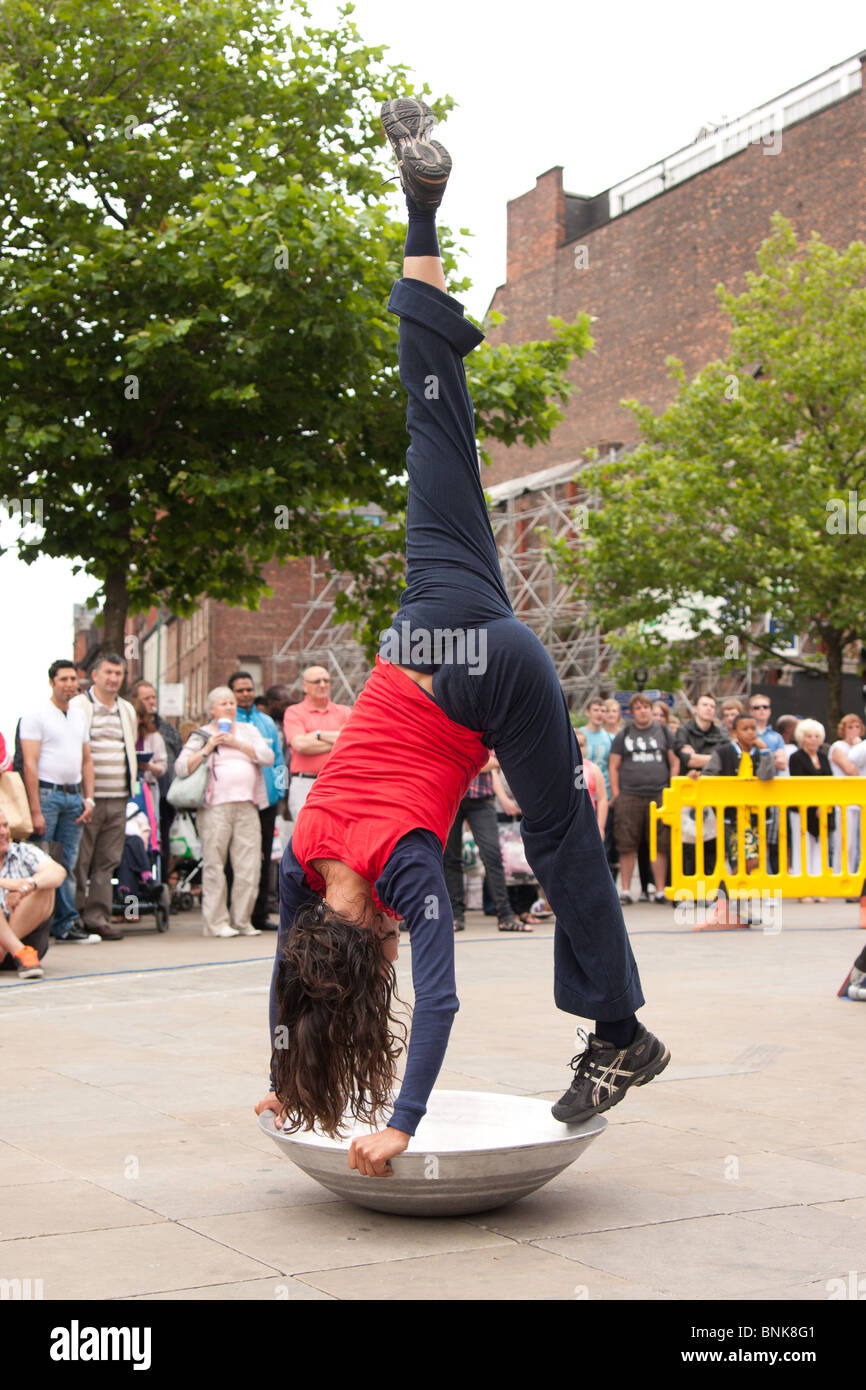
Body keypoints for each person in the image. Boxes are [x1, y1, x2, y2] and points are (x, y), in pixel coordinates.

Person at [255, 100, 669, 1176]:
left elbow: (434, 998)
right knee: (430, 420)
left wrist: (397, 1116)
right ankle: (419, 209)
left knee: (566, 839)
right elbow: (288, 977)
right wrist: (280, 1050)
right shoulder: (305, 856)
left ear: (376, 938)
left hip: (495, 671)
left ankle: (620, 1033)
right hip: (434, 628)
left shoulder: (404, 875)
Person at [174, 686, 274, 937]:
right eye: (223, 703)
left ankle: (242, 920)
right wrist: (209, 747)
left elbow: (268, 756)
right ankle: (216, 923)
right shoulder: (202, 734)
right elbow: (181, 768)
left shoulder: (248, 731)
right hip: (214, 807)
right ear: (212, 710)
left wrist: (238, 744)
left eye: (232, 703)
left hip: (247, 806)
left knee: (249, 865)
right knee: (214, 865)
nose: (230, 707)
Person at [18, 659, 98, 943]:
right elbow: (30, 764)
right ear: (52, 682)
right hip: (47, 795)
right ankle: (35, 925)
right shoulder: (36, 716)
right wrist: (35, 810)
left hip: (73, 796)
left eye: (73, 679)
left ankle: (65, 924)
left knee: (68, 862)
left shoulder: (79, 716)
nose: (69, 684)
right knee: (40, 860)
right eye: (63, 679)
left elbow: (87, 761)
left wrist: (89, 799)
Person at [70, 653, 139, 941]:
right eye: (108, 672)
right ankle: (71, 917)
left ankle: (96, 917)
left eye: (118, 673)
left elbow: (130, 746)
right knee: (79, 860)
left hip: (119, 796)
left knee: (107, 860)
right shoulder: (78, 706)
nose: (113, 678)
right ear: (95, 674)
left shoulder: (126, 709)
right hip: (89, 797)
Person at [700, 713, 775, 927]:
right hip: (731, 818)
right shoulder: (723, 753)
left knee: (753, 860)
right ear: (735, 732)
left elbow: (767, 776)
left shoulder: (761, 753)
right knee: (739, 861)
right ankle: (732, 905)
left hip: (755, 817)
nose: (751, 732)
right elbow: (710, 776)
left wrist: (766, 752)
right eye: (746, 729)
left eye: (754, 728)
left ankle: (727, 901)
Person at [228, 670, 286, 931]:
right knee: (237, 858)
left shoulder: (266, 723)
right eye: (240, 690)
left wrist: (279, 791)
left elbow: (279, 760)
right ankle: (236, 911)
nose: (245, 694)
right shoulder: (228, 720)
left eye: (249, 689)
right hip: (239, 799)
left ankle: (260, 913)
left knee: (263, 856)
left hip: (266, 801)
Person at [443, 756, 527, 933]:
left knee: (493, 856)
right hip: (451, 797)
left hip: (481, 801)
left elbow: (495, 762)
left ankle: (505, 916)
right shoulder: (448, 729)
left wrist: (458, 762)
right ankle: (455, 916)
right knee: (451, 859)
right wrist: (476, 762)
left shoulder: (482, 729)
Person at [608, 693, 678, 904]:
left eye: (646, 706)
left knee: (660, 844)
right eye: (638, 707)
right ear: (632, 711)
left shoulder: (664, 731)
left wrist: (671, 790)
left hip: (659, 794)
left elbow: (674, 762)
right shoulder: (625, 734)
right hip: (629, 795)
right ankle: (627, 891)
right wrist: (617, 795)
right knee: (626, 844)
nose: (643, 710)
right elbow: (614, 765)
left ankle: (659, 890)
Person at [0, 808, 67, 980]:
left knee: (45, 887)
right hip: (23, 955)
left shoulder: (22, 851)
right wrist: (6, 883)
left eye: (5, 826)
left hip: (30, 941)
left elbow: (57, 872)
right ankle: (17, 950)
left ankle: (8, 949)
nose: (3, 832)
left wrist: (26, 887)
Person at [282, 667, 352, 822]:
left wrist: (318, 734)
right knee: (307, 837)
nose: (322, 684)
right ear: (304, 686)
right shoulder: (294, 712)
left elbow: (353, 741)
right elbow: (300, 745)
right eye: (317, 681)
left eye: (326, 680)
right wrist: (338, 741)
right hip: (305, 784)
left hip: (339, 783)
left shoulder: (344, 711)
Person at [129, 681, 183, 875]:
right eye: (146, 698)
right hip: (130, 795)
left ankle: (159, 881)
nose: (152, 702)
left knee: (159, 838)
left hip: (159, 793)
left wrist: (148, 766)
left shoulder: (165, 730)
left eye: (154, 697)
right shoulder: (126, 730)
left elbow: (172, 760)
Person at [788, 720, 835, 896]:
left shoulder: (823, 757)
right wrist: (814, 804)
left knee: (820, 847)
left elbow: (829, 781)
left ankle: (819, 888)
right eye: (809, 736)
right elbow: (800, 783)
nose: (813, 740)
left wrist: (823, 805)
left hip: (821, 809)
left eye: (816, 736)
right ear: (802, 738)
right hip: (802, 809)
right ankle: (804, 890)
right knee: (802, 847)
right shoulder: (796, 757)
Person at [828, 714, 866, 876]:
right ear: (843, 730)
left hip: (859, 800)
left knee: (860, 844)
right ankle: (841, 875)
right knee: (845, 841)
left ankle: (857, 877)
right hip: (843, 799)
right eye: (850, 727)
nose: (854, 731)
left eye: (857, 727)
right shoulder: (838, 746)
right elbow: (851, 770)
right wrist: (857, 748)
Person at [575, 728, 608, 834]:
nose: (577, 748)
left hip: (587, 822)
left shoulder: (593, 769)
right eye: (574, 744)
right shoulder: (557, 767)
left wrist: (601, 827)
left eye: (581, 745)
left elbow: (602, 798)